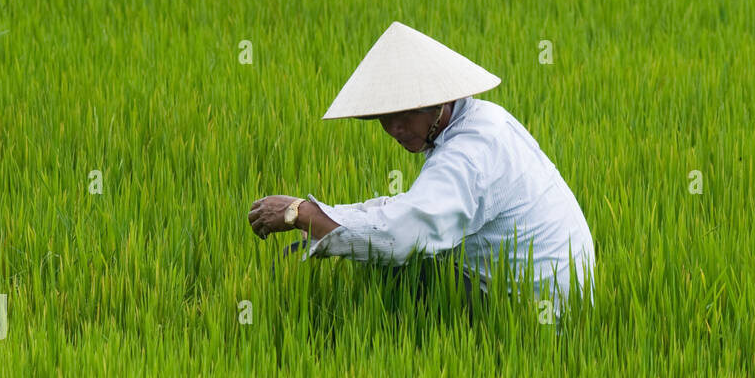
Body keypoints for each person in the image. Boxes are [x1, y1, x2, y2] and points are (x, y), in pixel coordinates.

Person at [248, 21, 594, 316]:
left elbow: (401, 236)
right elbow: (411, 210)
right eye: (384, 118)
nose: (395, 128)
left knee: (395, 264)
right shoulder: (482, 118)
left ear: (438, 102)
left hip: (531, 311)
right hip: (547, 295)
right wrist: (320, 215)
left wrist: (300, 213)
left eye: (405, 115)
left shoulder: (468, 153)